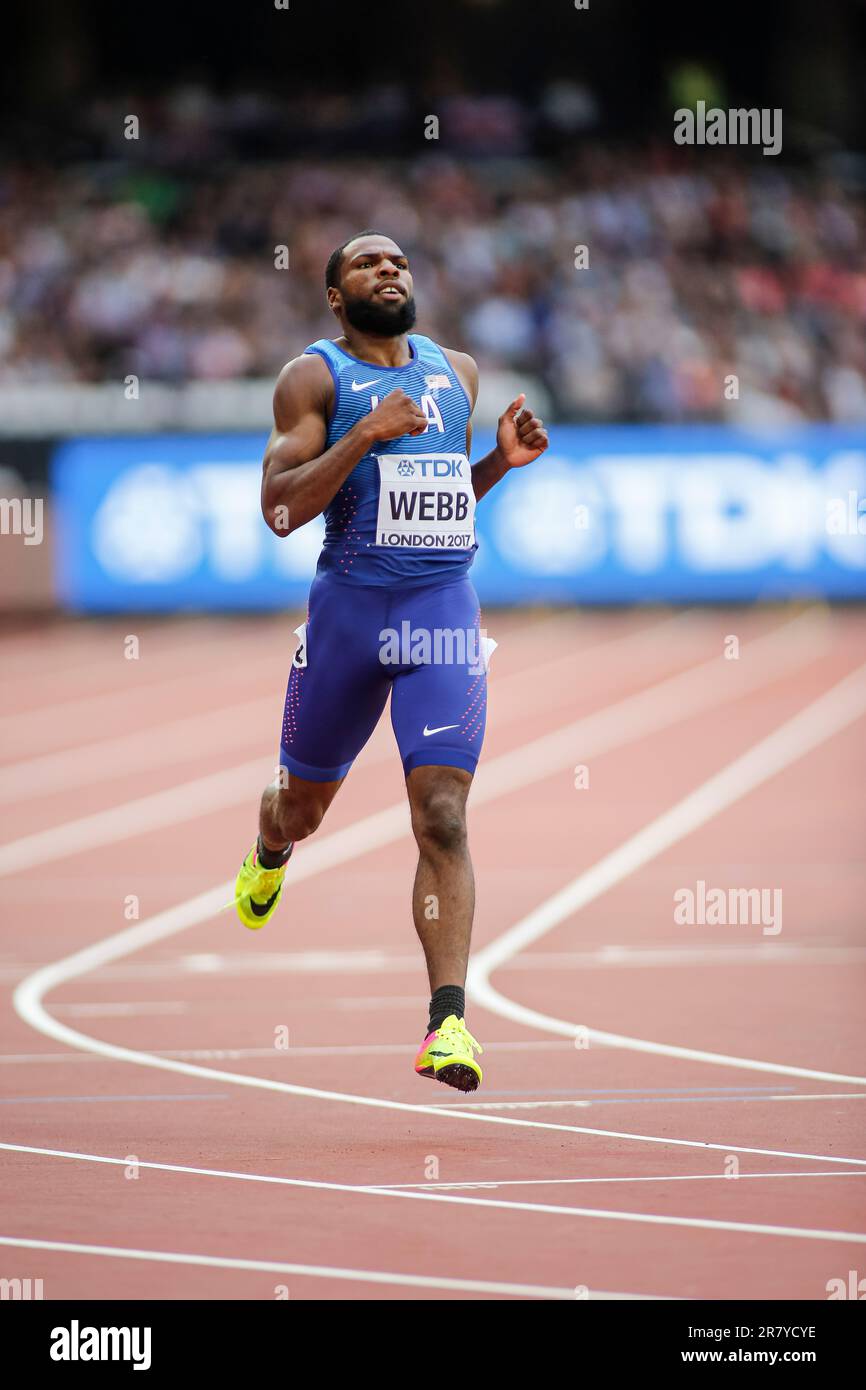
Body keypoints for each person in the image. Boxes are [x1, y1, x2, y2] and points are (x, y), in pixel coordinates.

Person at [234, 231, 548, 1091]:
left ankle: (448, 1025)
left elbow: (440, 501)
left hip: (441, 613)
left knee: (442, 813)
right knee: (301, 808)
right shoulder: (315, 380)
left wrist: (497, 466)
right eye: (367, 264)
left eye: (400, 261)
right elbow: (279, 510)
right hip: (348, 615)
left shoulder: (458, 374)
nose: (389, 270)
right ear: (337, 297)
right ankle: (269, 848)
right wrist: (363, 434)